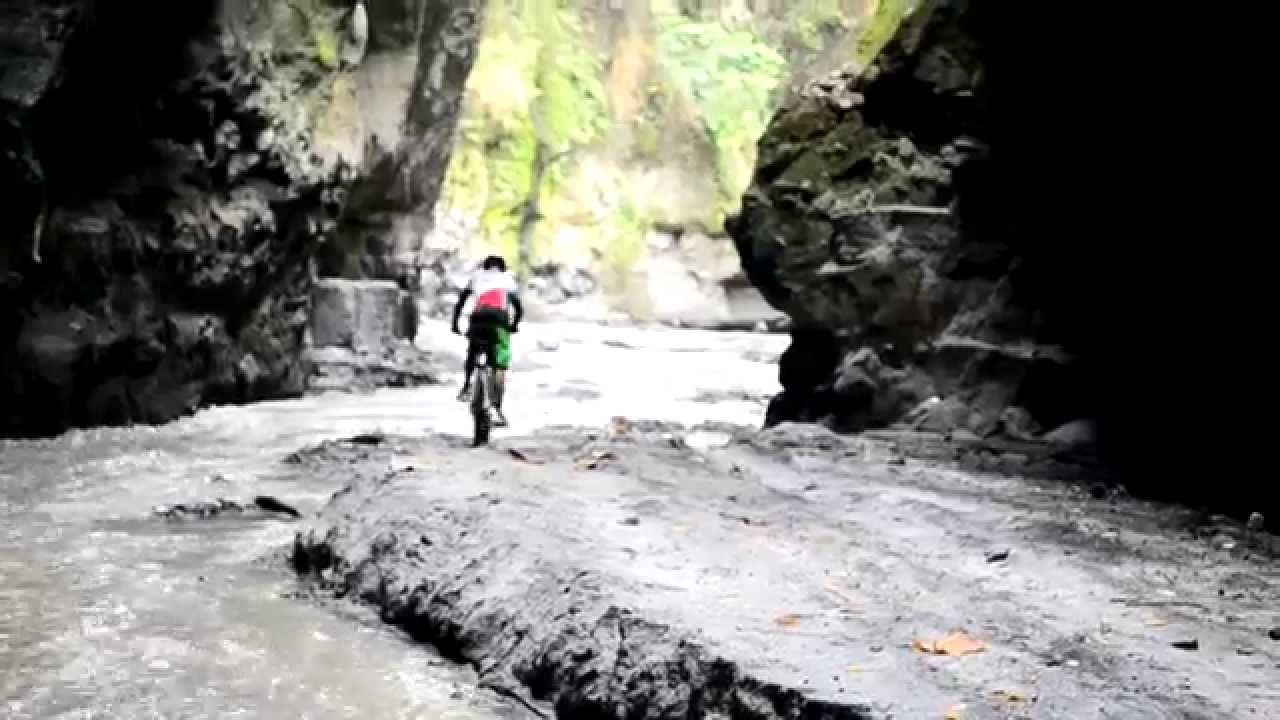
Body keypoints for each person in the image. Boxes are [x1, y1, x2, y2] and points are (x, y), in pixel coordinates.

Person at [452, 255, 522, 426]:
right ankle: (497, 407)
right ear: (502, 268)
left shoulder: (476, 277)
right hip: (499, 320)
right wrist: (514, 324)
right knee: (499, 362)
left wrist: (455, 324)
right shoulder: (508, 279)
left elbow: (461, 302)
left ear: (485, 267)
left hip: (479, 317)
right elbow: (518, 307)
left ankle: (467, 385)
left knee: (473, 351)